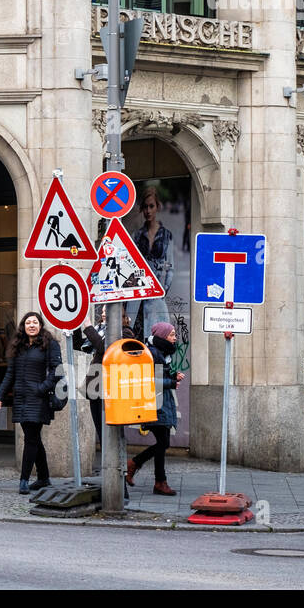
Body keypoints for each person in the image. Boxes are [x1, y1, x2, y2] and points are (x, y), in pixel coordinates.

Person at [0, 311, 63, 494]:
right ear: (23, 326)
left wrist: (41, 388)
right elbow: (10, 374)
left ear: (40, 326)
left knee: (31, 439)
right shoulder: (18, 346)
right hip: (21, 398)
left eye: (35, 322)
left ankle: (24, 480)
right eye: (28, 323)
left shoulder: (50, 344)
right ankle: (44, 478)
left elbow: (58, 371)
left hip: (39, 399)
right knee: (34, 438)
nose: (31, 325)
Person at [125, 321, 183, 496]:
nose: (175, 338)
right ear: (163, 336)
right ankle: (136, 465)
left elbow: (159, 375)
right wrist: (171, 382)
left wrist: (172, 375)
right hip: (155, 405)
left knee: (162, 442)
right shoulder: (154, 354)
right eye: (172, 334)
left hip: (160, 403)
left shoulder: (161, 353)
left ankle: (158, 480)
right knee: (163, 442)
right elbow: (149, 382)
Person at [130, 186, 173, 336]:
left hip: (156, 299)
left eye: (151, 206)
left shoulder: (166, 235)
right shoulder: (136, 235)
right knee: (135, 339)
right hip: (137, 298)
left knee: (157, 339)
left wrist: (162, 291)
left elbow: (170, 268)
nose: (148, 211)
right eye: (145, 207)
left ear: (157, 207)